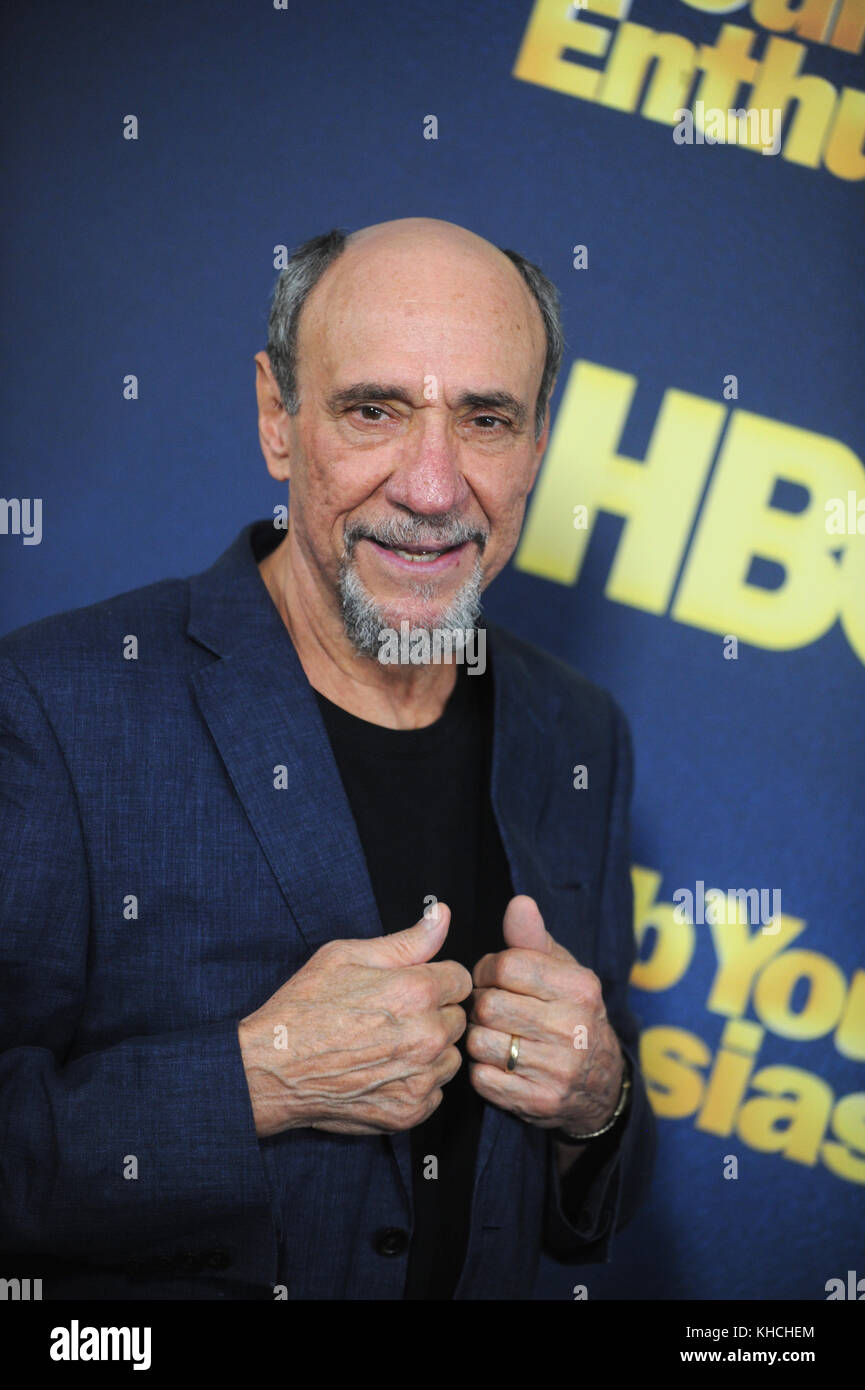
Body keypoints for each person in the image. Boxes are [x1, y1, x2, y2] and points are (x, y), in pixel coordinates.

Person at [0, 217, 655, 1300]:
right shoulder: (54, 705)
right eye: (374, 410)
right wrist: (256, 1079)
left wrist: (596, 1102)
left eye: (486, 418)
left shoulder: (578, 732)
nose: (434, 487)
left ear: (538, 443)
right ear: (277, 418)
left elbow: (590, 1192)